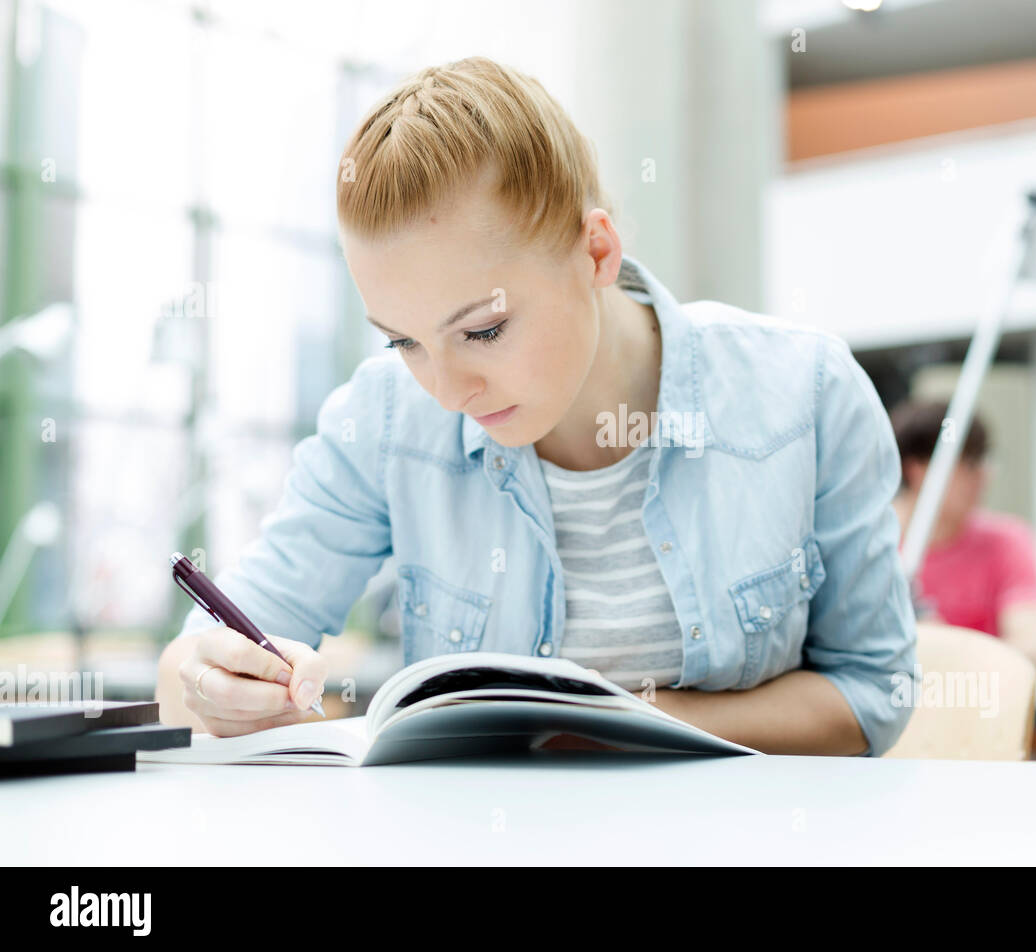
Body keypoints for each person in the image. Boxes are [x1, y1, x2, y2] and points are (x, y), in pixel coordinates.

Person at [155, 56, 917, 757]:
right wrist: (209, 680)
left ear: (596, 253)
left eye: (483, 330)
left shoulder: (805, 393)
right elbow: (185, 673)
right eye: (404, 342)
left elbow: (874, 695)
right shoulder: (382, 420)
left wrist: (606, 728)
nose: (447, 392)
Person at [890, 400, 1036, 669]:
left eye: (985, 460)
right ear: (917, 470)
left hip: (981, 704)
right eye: (969, 462)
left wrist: (943, 648)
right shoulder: (871, 545)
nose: (984, 474)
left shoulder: (1008, 541)